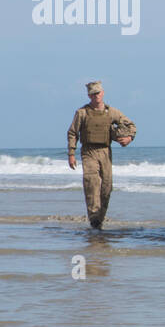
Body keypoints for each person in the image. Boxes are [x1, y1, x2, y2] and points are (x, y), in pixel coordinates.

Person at [67, 81, 137, 229]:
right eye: (93, 94)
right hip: (89, 151)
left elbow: (131, 125)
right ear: (88, 95)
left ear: (102, 93)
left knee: (106, 187)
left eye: (98, 93)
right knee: (91, 184)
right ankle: (94, 219)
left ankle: (100, 218)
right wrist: (71, 154)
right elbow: (73, 133)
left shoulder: (111, 112)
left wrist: (129, 138)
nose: (96, 96)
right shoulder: (82, 113)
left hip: (105, 151)